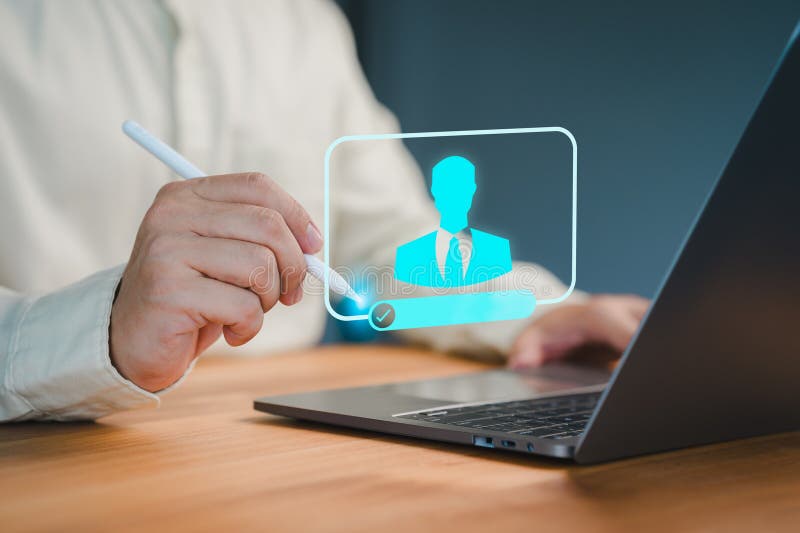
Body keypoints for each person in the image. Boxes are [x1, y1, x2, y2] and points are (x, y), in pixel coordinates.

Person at [0, 0, 649, 422]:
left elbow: (393, 239)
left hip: (277, 427)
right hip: (51, 437)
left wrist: (541, 308)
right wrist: (102, 328)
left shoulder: (303, 23)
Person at [394, 156, 512, 287]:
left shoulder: (495, 251)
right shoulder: (408, 253)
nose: (455, 195)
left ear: (472, 189)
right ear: (434, 189)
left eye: (462, 186)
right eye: (447, 186)